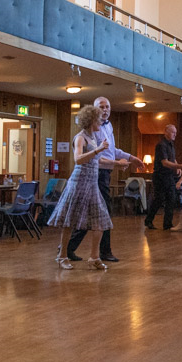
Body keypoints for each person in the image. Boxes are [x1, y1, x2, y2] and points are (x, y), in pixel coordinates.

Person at [65, 97, 142, 263]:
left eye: (107, 106)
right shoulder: (90, 133)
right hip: (93, 175)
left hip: (102, 175)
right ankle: (97, 252)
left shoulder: (108, 126)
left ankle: (70, 248)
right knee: (101, 213)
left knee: (95, 214)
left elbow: (111, 150)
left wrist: (130, 157)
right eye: (101, 107)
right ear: (93, 112)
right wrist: (116, 163)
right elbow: (95, 158)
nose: (105, 110)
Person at [49, 105, 113, 270]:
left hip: (92, 183)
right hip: (78, 183)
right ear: (91, 120)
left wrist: (117, 164)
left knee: (101, 221)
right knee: (70, 221)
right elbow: (78, 159)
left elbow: (96, 160)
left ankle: (94, 257)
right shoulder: (80, 138)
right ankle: (62, 256)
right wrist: (98, 150)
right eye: (98, 118)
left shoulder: (94, 138)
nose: (101, 121)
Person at [145, 125, 182, 230]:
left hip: (169, 175)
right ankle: (148, 220)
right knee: (159, 199)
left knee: (171, 198)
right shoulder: (161, 145)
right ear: (166, 132)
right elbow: (164, 162)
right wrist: (180, 166)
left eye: (175, 133)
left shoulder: (171, 144)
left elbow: (172, 159)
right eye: (173, 132)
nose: (175, 135)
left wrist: (177, 167)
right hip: (160, 175)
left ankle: (167, 224)